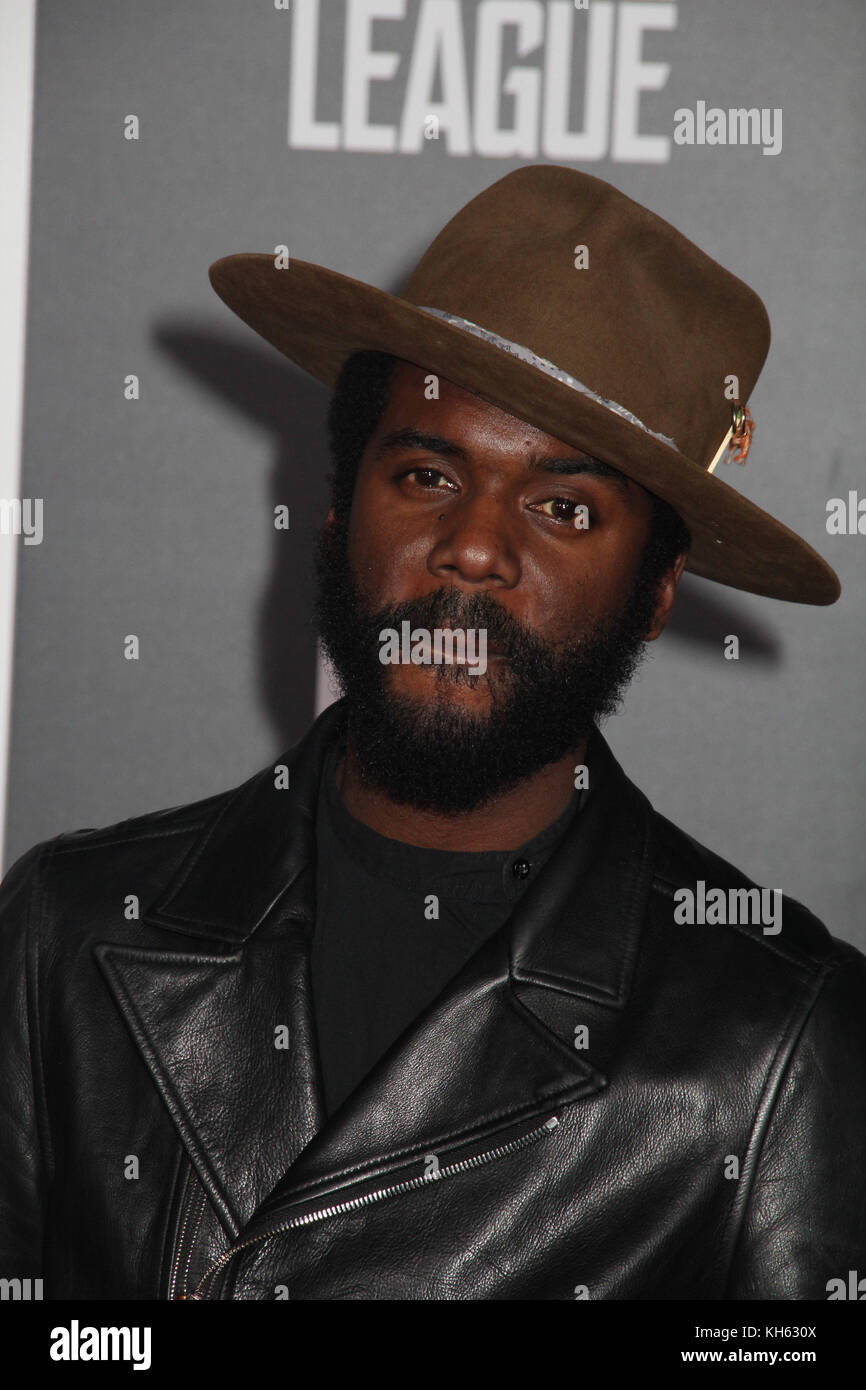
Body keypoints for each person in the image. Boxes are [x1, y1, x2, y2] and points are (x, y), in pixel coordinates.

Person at [1, 166, 863, 1301]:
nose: (471, 547)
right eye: (424, 471)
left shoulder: (777, 1044)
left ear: (657, 590)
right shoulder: (67, 930)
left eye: (563, 507)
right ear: (332, 518)